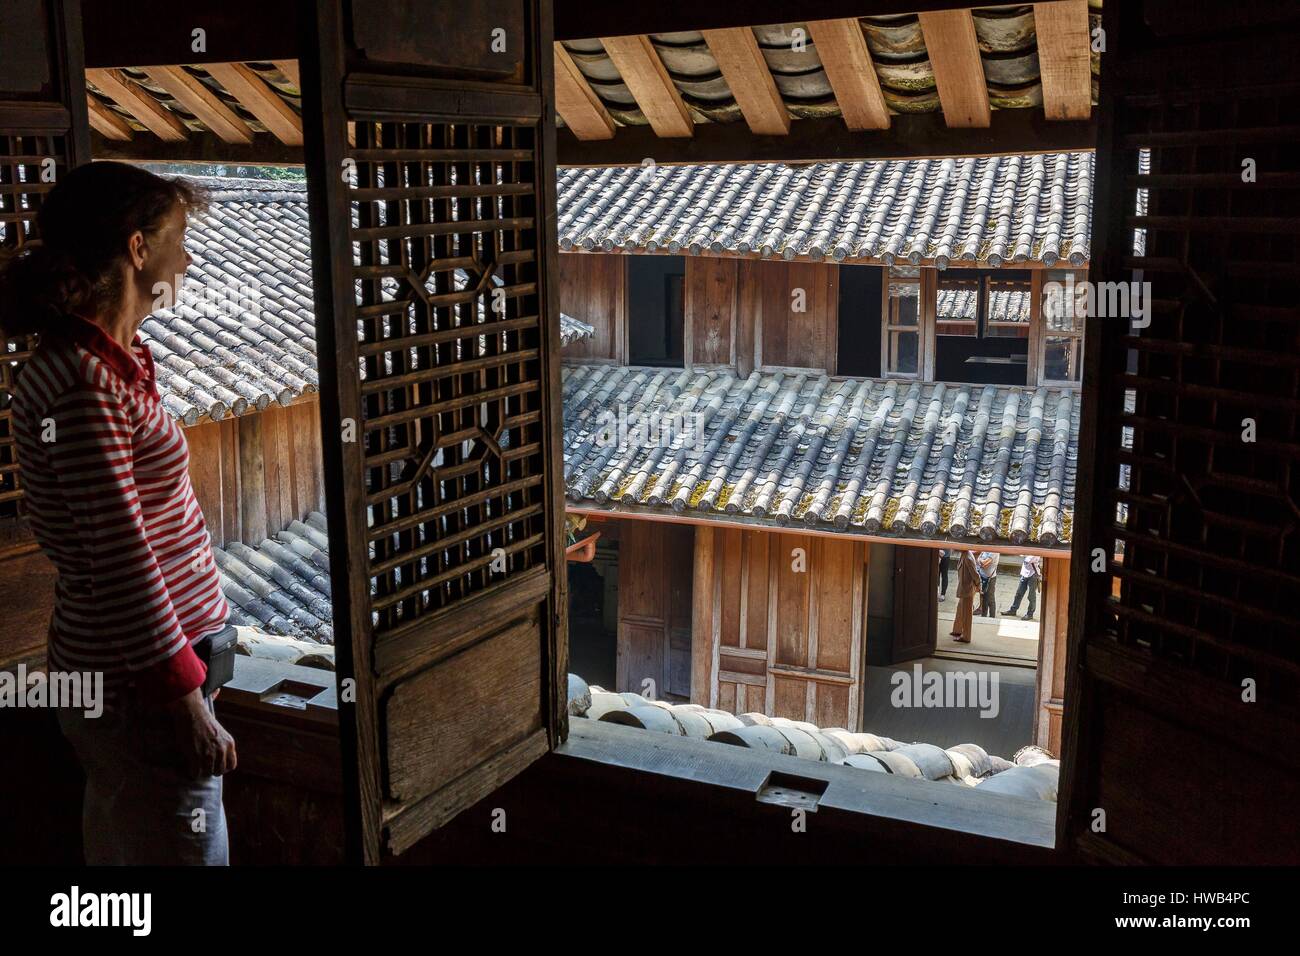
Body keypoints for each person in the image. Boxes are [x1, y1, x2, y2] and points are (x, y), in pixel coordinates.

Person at [2, 162, 237, 864]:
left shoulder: (110, 364)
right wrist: (182, 700)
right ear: (138, 249)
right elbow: (120, 556)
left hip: (139, 677)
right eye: (178, 238)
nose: (187, 258)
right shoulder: (83, 382)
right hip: (139, 691)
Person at [950, 550, 981, 643]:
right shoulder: (965, 554)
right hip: (964, 587)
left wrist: (979, 585)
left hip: (967, 589)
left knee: (966, 614)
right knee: (960, 610)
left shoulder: (967, 557)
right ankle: (957, 630)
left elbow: (975, 574)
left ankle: (966, 636)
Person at [1004, 554, 1043, 620]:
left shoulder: (1036, 551)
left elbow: (1029, 560)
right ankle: (1013, 610)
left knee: (1031, 596)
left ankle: (1030, 614)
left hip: (1033, 575)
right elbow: (1021, 554)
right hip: (1024, 573)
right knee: (1019, 593)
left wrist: (1024, 554)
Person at [977, 550, 999, 617]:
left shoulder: (995, 551)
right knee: (983, 597)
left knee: (990, 598)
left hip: (990, 578)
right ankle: (983, 615)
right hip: (982, 576)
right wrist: (981, 562)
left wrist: (981, 561)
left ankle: (992, 616)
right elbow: (978, 559)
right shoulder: (986, 548)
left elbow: (984, 564)